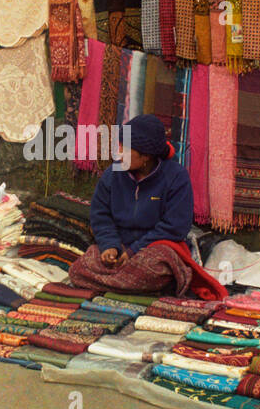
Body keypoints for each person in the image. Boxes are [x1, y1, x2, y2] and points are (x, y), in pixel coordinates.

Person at [68, 113, 202, 296]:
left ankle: (114, 283)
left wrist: (133, 251)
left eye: (125, 148)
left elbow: (175, 226)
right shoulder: (113, 173)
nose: (119, 153)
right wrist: (110, 246)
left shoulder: (176, 177)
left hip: (153, 249)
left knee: (155, 269)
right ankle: (132, 286)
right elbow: (100, 215)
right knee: (79, 268)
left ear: (145, 155)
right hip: (120, 245)